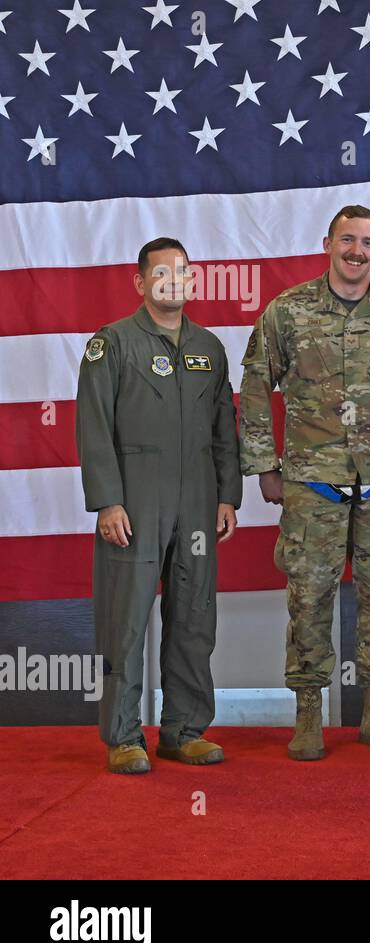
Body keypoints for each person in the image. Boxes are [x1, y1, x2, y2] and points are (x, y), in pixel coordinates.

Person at [239, 206, 370, 760]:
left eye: (367, 242)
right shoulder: (288, 312)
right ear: (327, 243)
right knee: (309, 598)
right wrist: (265, 466)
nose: (357, 251)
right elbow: (254, 386)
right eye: (348, 239)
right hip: (311, 484)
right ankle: (307, 716)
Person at [76, 237, 240, 773]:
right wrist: (107, 502)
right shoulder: (113, 344)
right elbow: (94, 427)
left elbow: (224, 431)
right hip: (135, 501)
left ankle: (183, 730)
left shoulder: (209, 348)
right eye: (162, 273)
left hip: (197, 501)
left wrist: (227, 496)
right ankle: (124, 736)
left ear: (193, 282)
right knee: (125, 621)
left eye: (184, 273)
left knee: (194, 618)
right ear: (141, 282)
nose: (175, 281)